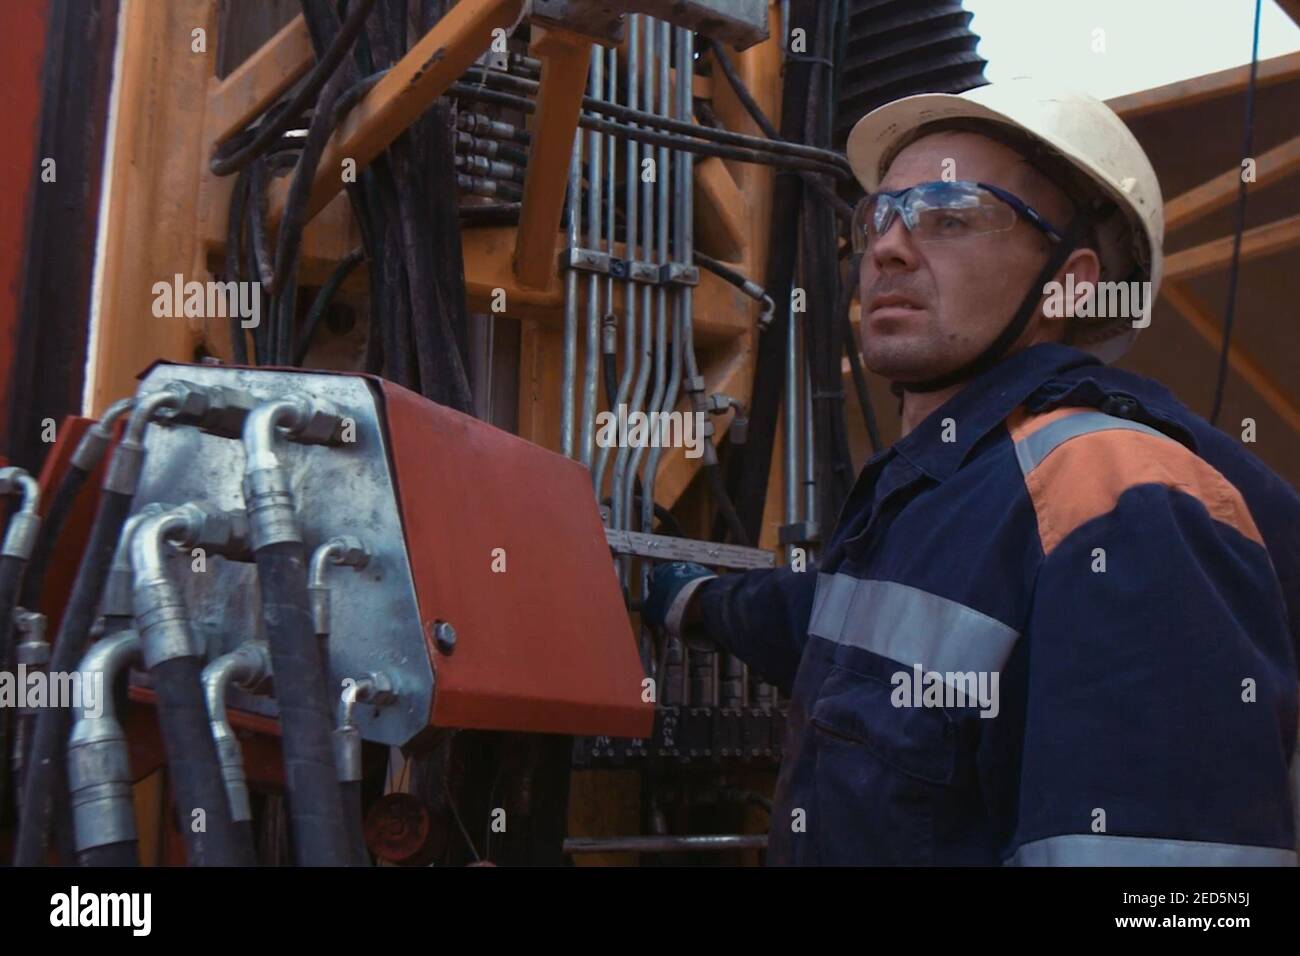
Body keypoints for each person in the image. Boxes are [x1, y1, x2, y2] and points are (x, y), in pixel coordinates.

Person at [644, 78, 1300, 866]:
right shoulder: (939, 489)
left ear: (1070, 280)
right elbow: (841, 629)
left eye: (949, 215)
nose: (885, 246)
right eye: (878, 215)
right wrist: (693, 598)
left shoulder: (1117, 493)